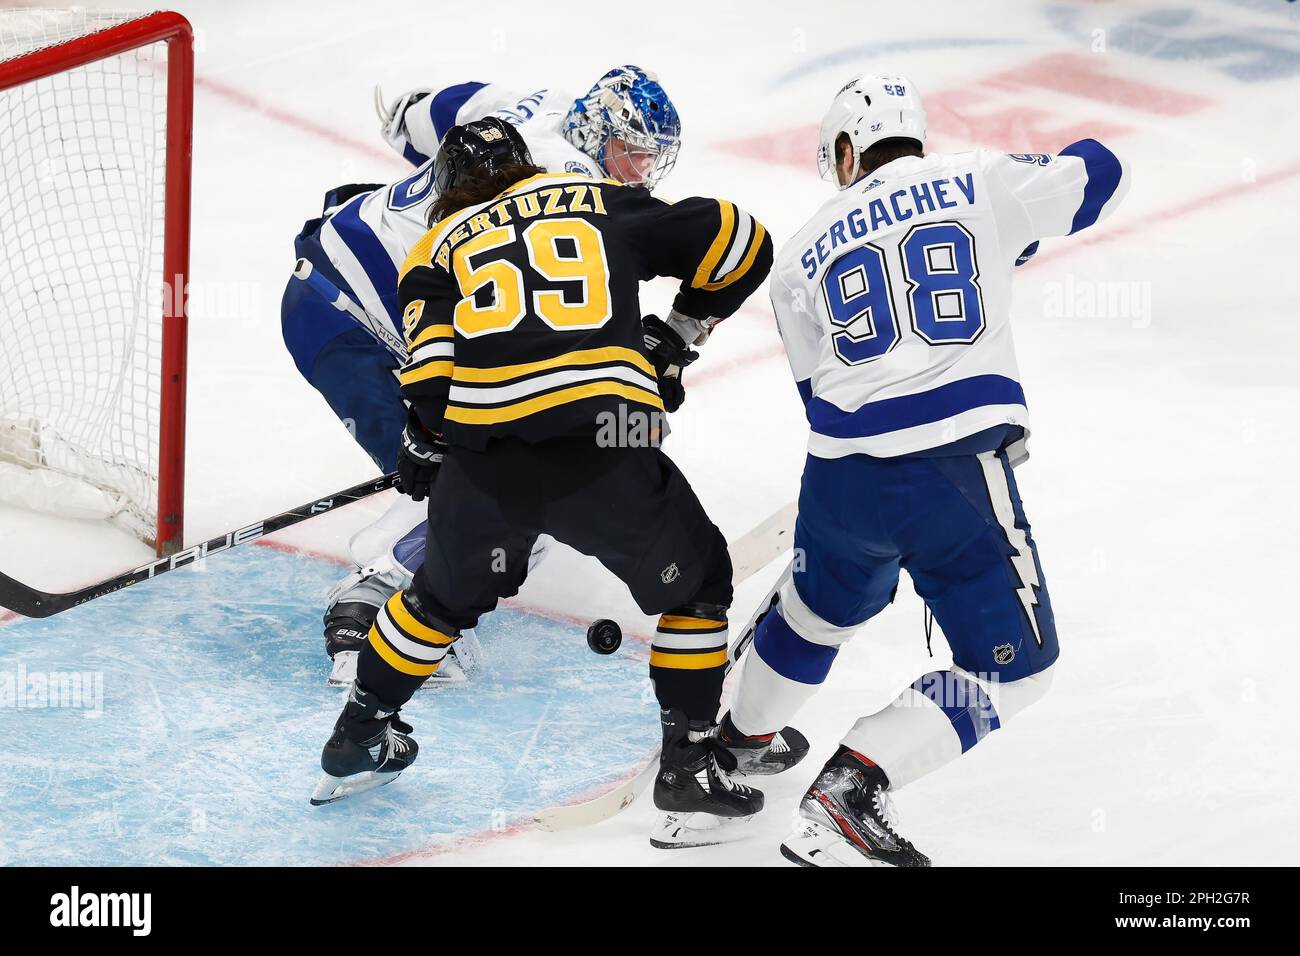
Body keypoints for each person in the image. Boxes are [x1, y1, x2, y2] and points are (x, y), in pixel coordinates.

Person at [311, 119, 798, 849]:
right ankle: (690, 759)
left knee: (437, 602)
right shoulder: (594, 199)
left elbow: (433, 376)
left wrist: (424, 441)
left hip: (487, 459)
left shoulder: (433, 248)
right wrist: (674, 339)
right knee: (698, 585)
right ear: (526, 164)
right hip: (608, 438)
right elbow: (744, 240)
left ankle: (359, 733)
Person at [720, 73, 1129, 866]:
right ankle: (854, 783)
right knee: (1016, 670)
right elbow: (1102, 172)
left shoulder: (801, 249)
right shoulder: (979, 182)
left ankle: (733, 750)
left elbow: (817, 394)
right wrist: (1014, 220)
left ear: (846, 152)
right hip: (954, 475)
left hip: (839, 480)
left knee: (814, 617)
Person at [279, 68, 683, 684]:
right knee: (510, 481)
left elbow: (418, 113)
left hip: (335, 279)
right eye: (633, 152)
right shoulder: (571, 191)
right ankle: (373, 604)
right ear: (599, 134)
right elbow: (557, 323)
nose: (643, 170)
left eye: (652, 156)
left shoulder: (540, 101)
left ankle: (408, 583)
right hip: (353, 323)